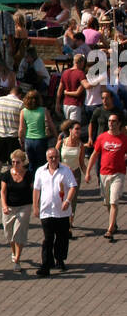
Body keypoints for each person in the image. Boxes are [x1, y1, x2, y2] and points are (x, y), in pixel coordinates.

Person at [34, 144, 77, 275]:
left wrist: (68, 201)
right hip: (46, 211)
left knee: (62, 238)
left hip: (62, 211)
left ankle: (60, 259)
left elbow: (73, 186)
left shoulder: (65, 170)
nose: (53, 160)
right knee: (48, 239)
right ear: (47, 158)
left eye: (55, 157)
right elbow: (36, 189)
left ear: (59, 157)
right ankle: (45, 265)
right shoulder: (40, 171)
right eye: (51, 157)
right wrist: (35, 206)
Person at [85, 110, 127, 240]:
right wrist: (87, 172)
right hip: (104, 173)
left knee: (114, 201)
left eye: (114, 121)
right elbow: (94, 154)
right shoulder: (102, 137)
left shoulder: (124, 139)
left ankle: (109, 229)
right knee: (108, 202)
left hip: (118, 174)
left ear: (119, 124)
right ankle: (113, 222)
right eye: (109, 121)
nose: (111, 123)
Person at [0, 149, 34, 270]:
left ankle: (17, 260)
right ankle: (14, 252)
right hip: (9, 206)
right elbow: (3, 192)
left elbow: (33, 190)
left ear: (23, 162)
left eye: (18, 162)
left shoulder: (29, 175)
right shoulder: (6, 175)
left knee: (19, 232)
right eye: (13, 162)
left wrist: (36, 205)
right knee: (9, 232)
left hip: (24, 206)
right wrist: (4, 206)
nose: (15, 164)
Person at [56, 120, 85, 233]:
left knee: (72, 199)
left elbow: (82, 162)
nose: (78, 131)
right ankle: (61, 219)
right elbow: (54, 158)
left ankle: (69, 223)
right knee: (61, 196)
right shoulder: (62, 142)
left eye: (79, 129)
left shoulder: (80, 145)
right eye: (76, 129)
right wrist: (63, 165)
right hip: (62, 174)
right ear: (70, 130)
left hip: (75, 174)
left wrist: (87, 174)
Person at [18, 89, 55, 176]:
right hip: (40, 140)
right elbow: (51, 124)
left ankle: (32, 183)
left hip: (28, 140)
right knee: (41, 164)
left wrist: (21, 140)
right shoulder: (43, 110)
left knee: (31, 163)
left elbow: (21, 129)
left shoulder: (23, 111)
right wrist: (56, 136)